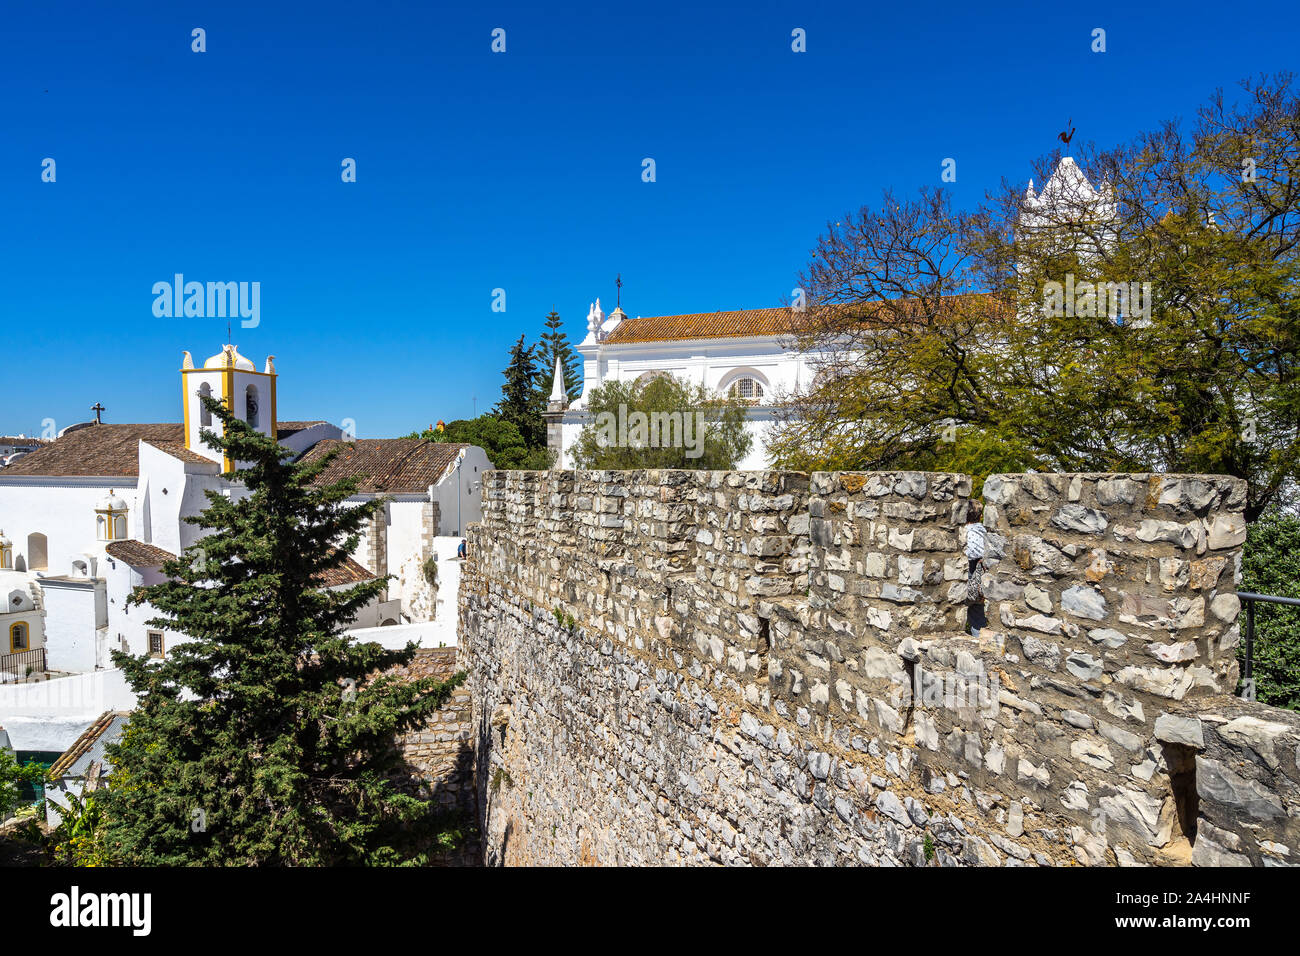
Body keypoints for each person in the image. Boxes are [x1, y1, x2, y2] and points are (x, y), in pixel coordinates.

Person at [965, 500, 988, 637]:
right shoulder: (984, 531)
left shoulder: (965, 531)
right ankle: (978, 639)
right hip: (980, 572)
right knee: (977, 611)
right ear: (980, 516)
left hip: (969, 569)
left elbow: (971, 552)